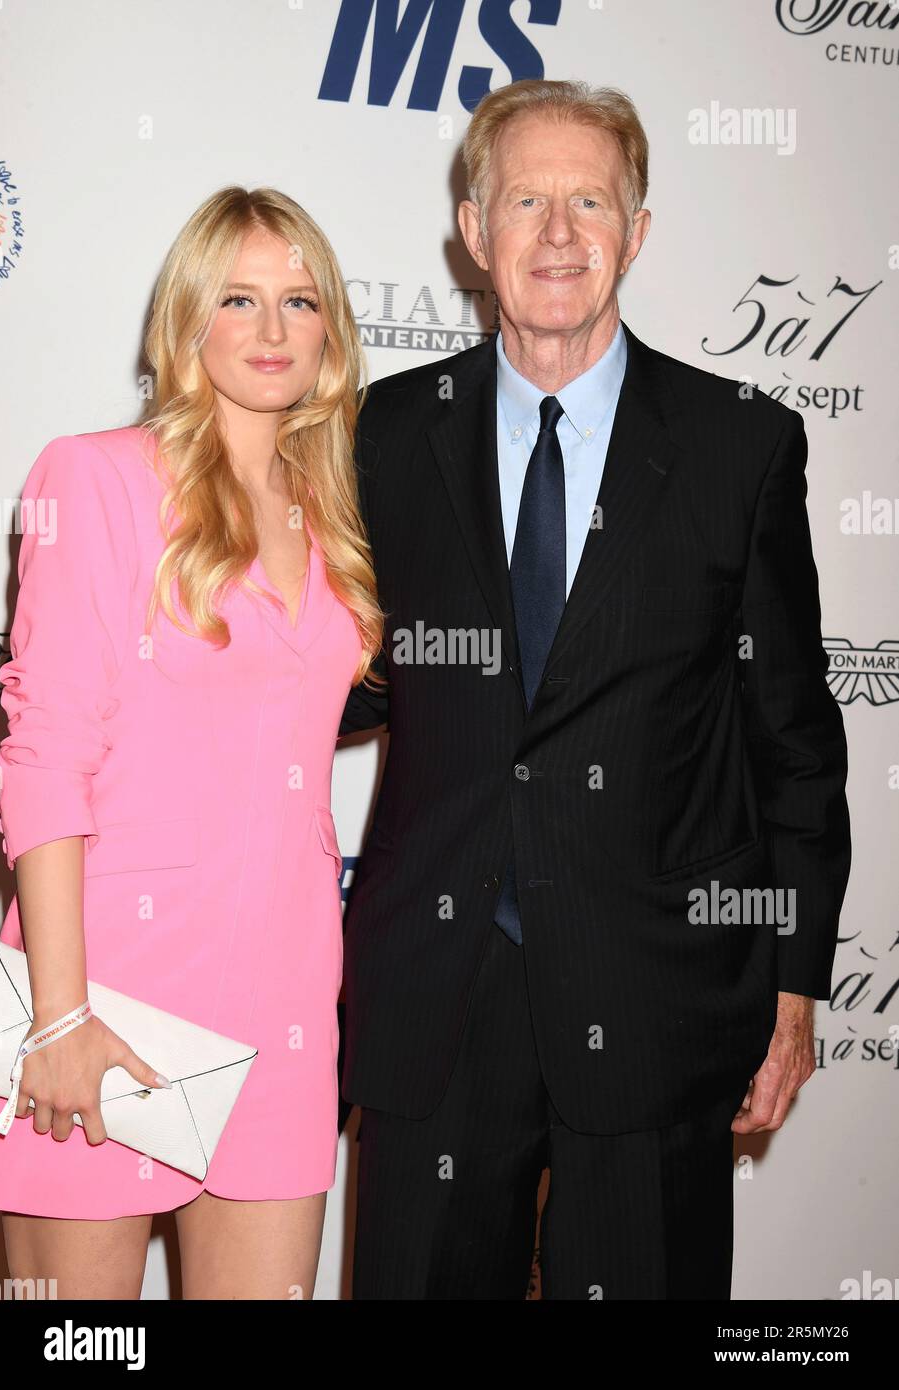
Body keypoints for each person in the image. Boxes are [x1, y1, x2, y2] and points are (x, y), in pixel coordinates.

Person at [337, 79, 851, 1299]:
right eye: (526, 200)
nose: (558, 233)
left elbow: (790, 736)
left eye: (589, 201)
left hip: (659, 992)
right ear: (473, 230)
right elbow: (325, 674)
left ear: (638, 228)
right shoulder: (381, 433)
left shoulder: (738, 445)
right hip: (440, 996)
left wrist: (789, 981)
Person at [0, 186, 382, 1299]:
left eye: (299, 300)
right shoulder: (96, 477)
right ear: (187, 321)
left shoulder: (338, 516)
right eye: (239, 299)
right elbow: (43, 755)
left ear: (328, 329)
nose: (271, 330)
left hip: (283, 1010)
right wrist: (60, 1015)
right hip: (103, 994)